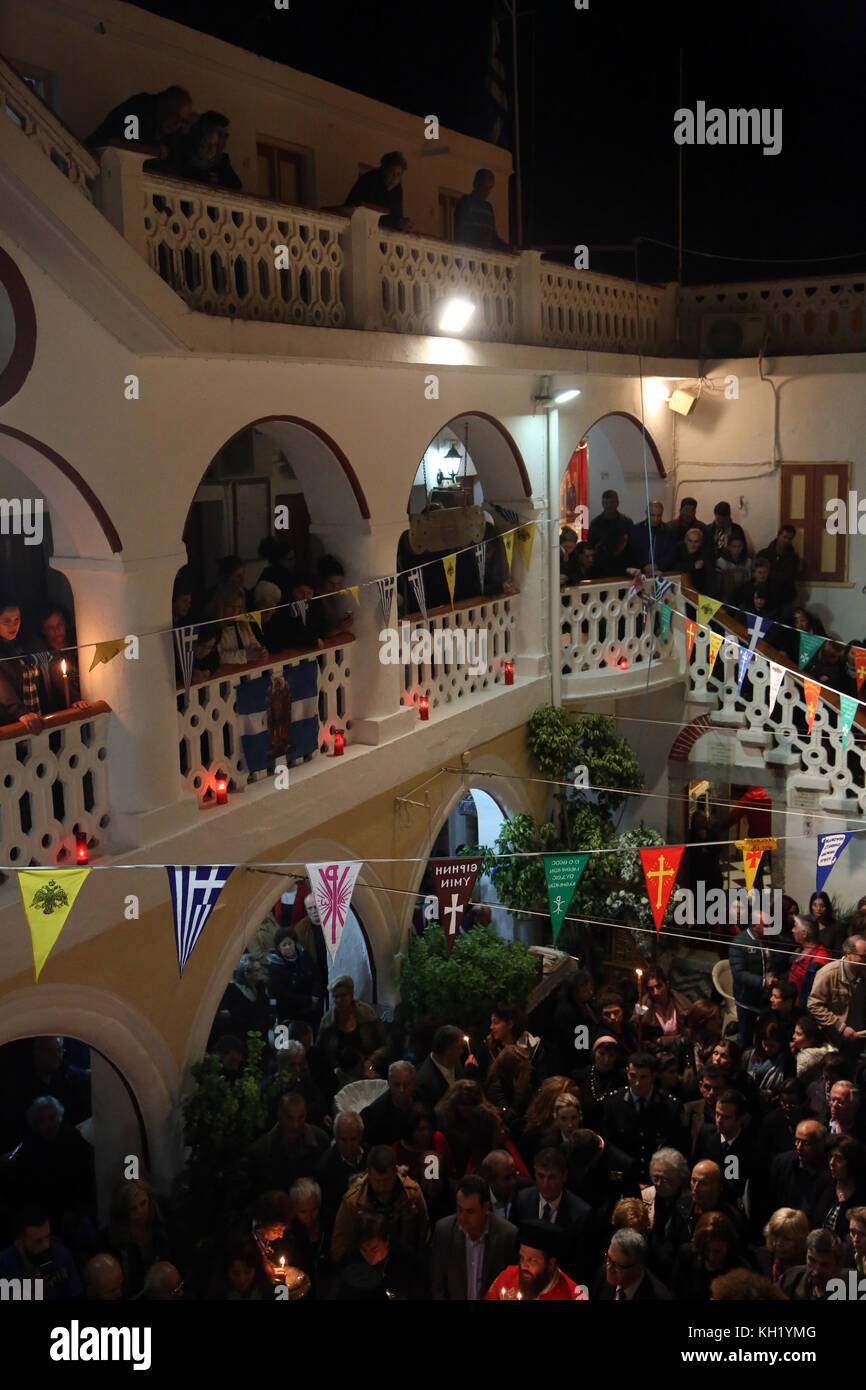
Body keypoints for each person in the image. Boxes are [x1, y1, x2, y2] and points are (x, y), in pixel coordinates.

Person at [330, 1145, 430, 1264]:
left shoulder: (411, 1194)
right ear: (368, 1173)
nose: (382, 1187)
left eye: (387, 1180)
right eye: (377, 1181)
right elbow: (339, 1249)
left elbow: (425, 1234)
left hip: (404, 1265)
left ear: (395, 1172)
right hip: (366, 1268)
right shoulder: (353, 1202)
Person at [511, 1145, 593, 1283]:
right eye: (541, 1176)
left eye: (552, 1177)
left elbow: (580, 1265)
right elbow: (513, 1250)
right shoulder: (521, 1201)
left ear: (564, 1176)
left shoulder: (581, 1214)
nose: (545, 1184)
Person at [601, 1052, 685, 1183]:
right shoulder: (614, 1103)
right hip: (624, 1175)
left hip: (657, 1176)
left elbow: (677, 1144)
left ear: (654, 1076)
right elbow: (607, 1142)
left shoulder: (670, 1106)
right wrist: (629, 1164)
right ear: (627, 1072)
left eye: (644, 1077)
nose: (637, 1083)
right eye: (633, 1076)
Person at [430, 1173, 517, 1299]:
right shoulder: (444, 1231)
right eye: (459, 1209)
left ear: (486, 1207)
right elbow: (437, 1287)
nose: (462, 1217)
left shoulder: (507, 1235)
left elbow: (511, 1286)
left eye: (470, 1211)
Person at [100, 1178, 173, 1299]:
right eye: (133, 1208)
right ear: (123, 1211)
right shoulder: (110, 1238)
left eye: (143, 1203)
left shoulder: (161, 1227)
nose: (140, 1211)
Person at [247, 1092, 329, 1195]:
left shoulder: (321, 1140)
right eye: (289, 1118)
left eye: (301, 1117)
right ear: (280, 1116)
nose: (295, 1125)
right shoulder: (260, 1151)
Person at [485, 1220, 588, 1300]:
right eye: (522, 1258)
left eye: (532, 1260)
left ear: (551, 1263)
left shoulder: (574, 1295)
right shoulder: (507, 1278)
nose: (524, 1265)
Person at [729, 911, 788, 1048]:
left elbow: (784, 964)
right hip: (747, 1000)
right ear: (754, 924)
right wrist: (762, 982)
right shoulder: (739, 943)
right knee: (746, 1036)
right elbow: (739, 973)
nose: (771, 927)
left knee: (769, 1034)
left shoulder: (777, 941)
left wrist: (779, 980)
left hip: (770, 999)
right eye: (766, 925)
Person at [0, 1209, 83, 1300]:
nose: (46, 1245)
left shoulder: (62, 1255)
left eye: (47, 1237)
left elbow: (76, 1295)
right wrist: (35, 1292)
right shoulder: (4, 1266)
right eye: (38, 1241)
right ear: (19, 1244)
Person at [671, 1210, 750, 1302]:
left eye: (718, 1251)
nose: (711, 1257)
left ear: (728, 1245)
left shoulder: (739, 1270)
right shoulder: (686, 1256)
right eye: (707, 1250)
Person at [807, 931, 866, 1055]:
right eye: (863, 957)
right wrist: (841, 1027)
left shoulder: (863, 973)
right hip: (833, 1042)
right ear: (849, 954)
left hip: (859, 1041)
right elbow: (814, 1005)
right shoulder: (828, 974)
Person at [768, 1121, 834, 1228]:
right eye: (797, 1141)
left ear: (821, 1144)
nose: (799, 1147)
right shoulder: (783, 1163)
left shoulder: (831, 1171)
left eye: (806, 1143)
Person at [86, 85, 192, 151]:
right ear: (162, 104)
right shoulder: (138, 107)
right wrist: (155, 151)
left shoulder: (173, 132)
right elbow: (124, 145)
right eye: (174, 115)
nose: (177, 124)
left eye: (182, 121)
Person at [693, 1089, 756, 1201]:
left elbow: (734, 1186)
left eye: (726, 1117)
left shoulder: (749, 1147)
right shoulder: (706, 1134)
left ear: (740, 1119)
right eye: (717, 1114)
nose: (719, 1120)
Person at [156, 109, 242, 189]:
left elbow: (236, 185)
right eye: (219, 134)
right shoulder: (182, 149)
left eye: (225, 135)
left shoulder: (223, 160)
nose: (223, 139)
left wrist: (219, 181)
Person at [317, 977, 386, 1074]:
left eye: (343, 995)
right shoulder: (327, 1023)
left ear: (351, 995)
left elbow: (386, 1045)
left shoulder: (368, 1016)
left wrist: (371, 1060)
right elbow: (320, 1053)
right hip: (338, 1072)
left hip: (367, 1068)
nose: (340, 1000)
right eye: (336, 997)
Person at [33, 603, 87, 712]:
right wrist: (75, 698)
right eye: (50, 627)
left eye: (60, 625)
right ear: (43, 630)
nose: (56, 631)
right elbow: (56, 677)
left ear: (66, 624)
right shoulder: (44, 654)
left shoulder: (79, 642)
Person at [0, 598, 43, 730]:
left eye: (16, 620)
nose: (13, 626)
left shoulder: (28, 642)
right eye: (6, 622)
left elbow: (50, 666)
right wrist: (21, 712)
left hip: (39, 711)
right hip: (8, 720)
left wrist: (75, 698)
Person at [595, 1227, 671, 1301]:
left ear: (638, 1268)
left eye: (617, 1265)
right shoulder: (603, 1272)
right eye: (608, 1257)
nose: (608, 1268)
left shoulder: (659, 1296)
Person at [211, 954, 273, 1044]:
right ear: (246, 973)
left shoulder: (261, 986)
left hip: (261, 1033)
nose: (261, 972)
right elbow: (229, 1014)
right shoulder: (232, 990)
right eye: (257, 970)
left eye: (260, 968)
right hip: (242, 1035)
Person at [285, 1177, 331, 1298]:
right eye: (303, 1212)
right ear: (294, 1210)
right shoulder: (289, 1236)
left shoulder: (329, 1225)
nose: (309, 1217)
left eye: (314, 1210)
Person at [344, 151, 413, 231]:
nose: (394, 178)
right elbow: (369, 214)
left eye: (398, 174)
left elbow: (397, 214)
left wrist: (402, 223)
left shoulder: (397, 189)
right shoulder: (369, 180)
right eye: (392, 172)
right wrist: (397, 223)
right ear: (384, 170)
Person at [266, 926, 319, 1026]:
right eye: (284, 945)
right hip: (288, 1012)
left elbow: (316, 976)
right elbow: (281, 993)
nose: (288, 947)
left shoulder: (304, 956)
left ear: (295, 943)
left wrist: (315, 995)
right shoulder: (275, 966)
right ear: (278, 947)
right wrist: (307, 1000)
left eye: (290, 943)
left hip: (311, 1008)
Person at [316, 1111, 366, 1215]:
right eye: (344, 1140)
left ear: (360, 1136)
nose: (349, 1145)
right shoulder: (326, 1166)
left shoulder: (371, 1156)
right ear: (336, 1138)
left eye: (353, 1139)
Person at [359, 1060, 417, 1146]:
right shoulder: (374, 1115)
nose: (401, 1090)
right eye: (396, 1085)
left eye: (406, 1084)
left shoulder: (423, 1099)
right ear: (389, 1083)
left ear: (413, 1084)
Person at [392, 1101, 453, 1182]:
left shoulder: (438, 1139)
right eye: (421, 1130)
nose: (427, 1134)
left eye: (429, 1128)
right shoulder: (397, 1151)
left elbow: (450, 1171)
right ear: (410, 1131)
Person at [780, 1227, 845, 1300]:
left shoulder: (851, 1291)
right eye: (812, 1261)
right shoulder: (791, 1278)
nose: (816, 1272)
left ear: (837, 1265)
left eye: (825, 1265)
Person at [453, 169, 510, 251]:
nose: (487, 191)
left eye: (489, 188)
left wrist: (507, 247)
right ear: (475, 184)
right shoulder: (465, 202)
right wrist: (478, 243)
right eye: (483, 186)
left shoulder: (488, 208)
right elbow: (460, 233)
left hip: (485, 257)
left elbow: (493, 237)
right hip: (469, 255)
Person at [632, 968, 690, 1045]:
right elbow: (637, 1032)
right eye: (651, 989)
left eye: (658, 987)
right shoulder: (642, 1005)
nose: (655, 992)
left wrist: (663, 1040)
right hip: (656, 1050)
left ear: (667, 985)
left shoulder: (681, 1002)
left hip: (681, 1046)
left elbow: (690, 1032)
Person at [823, 1136, 866, 1237]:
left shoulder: (862, 1196)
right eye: (830, 1157)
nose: (831, 1162)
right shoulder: (825, 1186)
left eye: (838, 1158)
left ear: (851, 1162)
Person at [415, 1025, 466, 1108]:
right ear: (448, 1051)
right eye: (459, 1048)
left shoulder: (455, 1063)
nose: (462, 1052)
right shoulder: (425, 1082)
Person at [788, 914, 831, 1009]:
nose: (792, 930)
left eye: (795, 926)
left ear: (804, 934)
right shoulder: (802, 949)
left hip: (803, 1010)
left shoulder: (819, 959)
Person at [217, 586, 267, 665]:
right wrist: (247, 655)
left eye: (238, 607)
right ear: (222, 606)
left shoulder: (243, 622)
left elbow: (253, 642)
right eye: (231, 606)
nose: (235, 611)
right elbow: (218, 657)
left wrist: (260, 651)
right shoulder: (215, 627)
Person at [755, 1207, 809, 1281]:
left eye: (786, 1239)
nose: (779, 1243)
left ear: (800, 1241)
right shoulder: (761, 1257)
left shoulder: (808, 1267)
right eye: (776, 1235)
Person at [757, 525, 801, 605]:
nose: (786, 541)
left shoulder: (793, 558)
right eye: (784, 537)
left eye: (789, 539)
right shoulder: (764, 554)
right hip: (765, 596)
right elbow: (757, 574)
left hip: (784, 598)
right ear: (778, 536)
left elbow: (788, 577)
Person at [630, 501, 677, 574]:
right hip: (639, 573)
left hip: (661, 572)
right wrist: (643, 566)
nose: (655, 519)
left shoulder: (669, 531)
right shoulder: (636, 530)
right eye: (652, 515)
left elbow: (671, 554)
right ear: (646, 513)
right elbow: (633, 552)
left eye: (659, 515)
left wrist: (658, 566)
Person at [316, 555, 354, 637]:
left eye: (338, 584)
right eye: (331, 583)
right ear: (322, 579)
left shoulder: (334, 597)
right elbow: (318, 635)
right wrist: (339, 628)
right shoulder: (315, 600)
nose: (335, 588)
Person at [790, 1013, 832, 1086]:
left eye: (798, 1034)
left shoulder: (807, 1058)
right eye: (794, 1032)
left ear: (811, 1038)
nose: (793, 1036)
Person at [675, 525, 715, 593]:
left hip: (699, 589)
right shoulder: (678, 549)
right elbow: (673, 566)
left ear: (701, 543)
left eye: (696, 542)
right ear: (685, 540)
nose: (692, 545)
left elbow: (710, 579)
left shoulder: (705, 553)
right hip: (679, 587)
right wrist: (693, 566)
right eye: (690, 541)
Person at [715, 533, 752, 606]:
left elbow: (749, 581)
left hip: (743, 595)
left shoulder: (748, 562)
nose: (737, 549)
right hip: (726, 597)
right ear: (728, 547)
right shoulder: (721, 562)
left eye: (739, 546)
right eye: (734, 547)